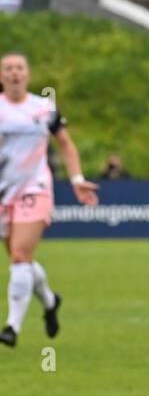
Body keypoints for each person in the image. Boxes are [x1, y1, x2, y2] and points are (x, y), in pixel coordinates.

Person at [0, 52, 98, 347]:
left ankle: (11, 327)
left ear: (27, 74)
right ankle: (50, 301)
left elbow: (66, 145)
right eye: (8, 68)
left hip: (35, 188)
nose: (15, 73)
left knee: (19, 255)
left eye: (19, 68)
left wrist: (77, 180)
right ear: (1, 75)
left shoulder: (43, 108)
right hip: (4, 192)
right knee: (23, 262)